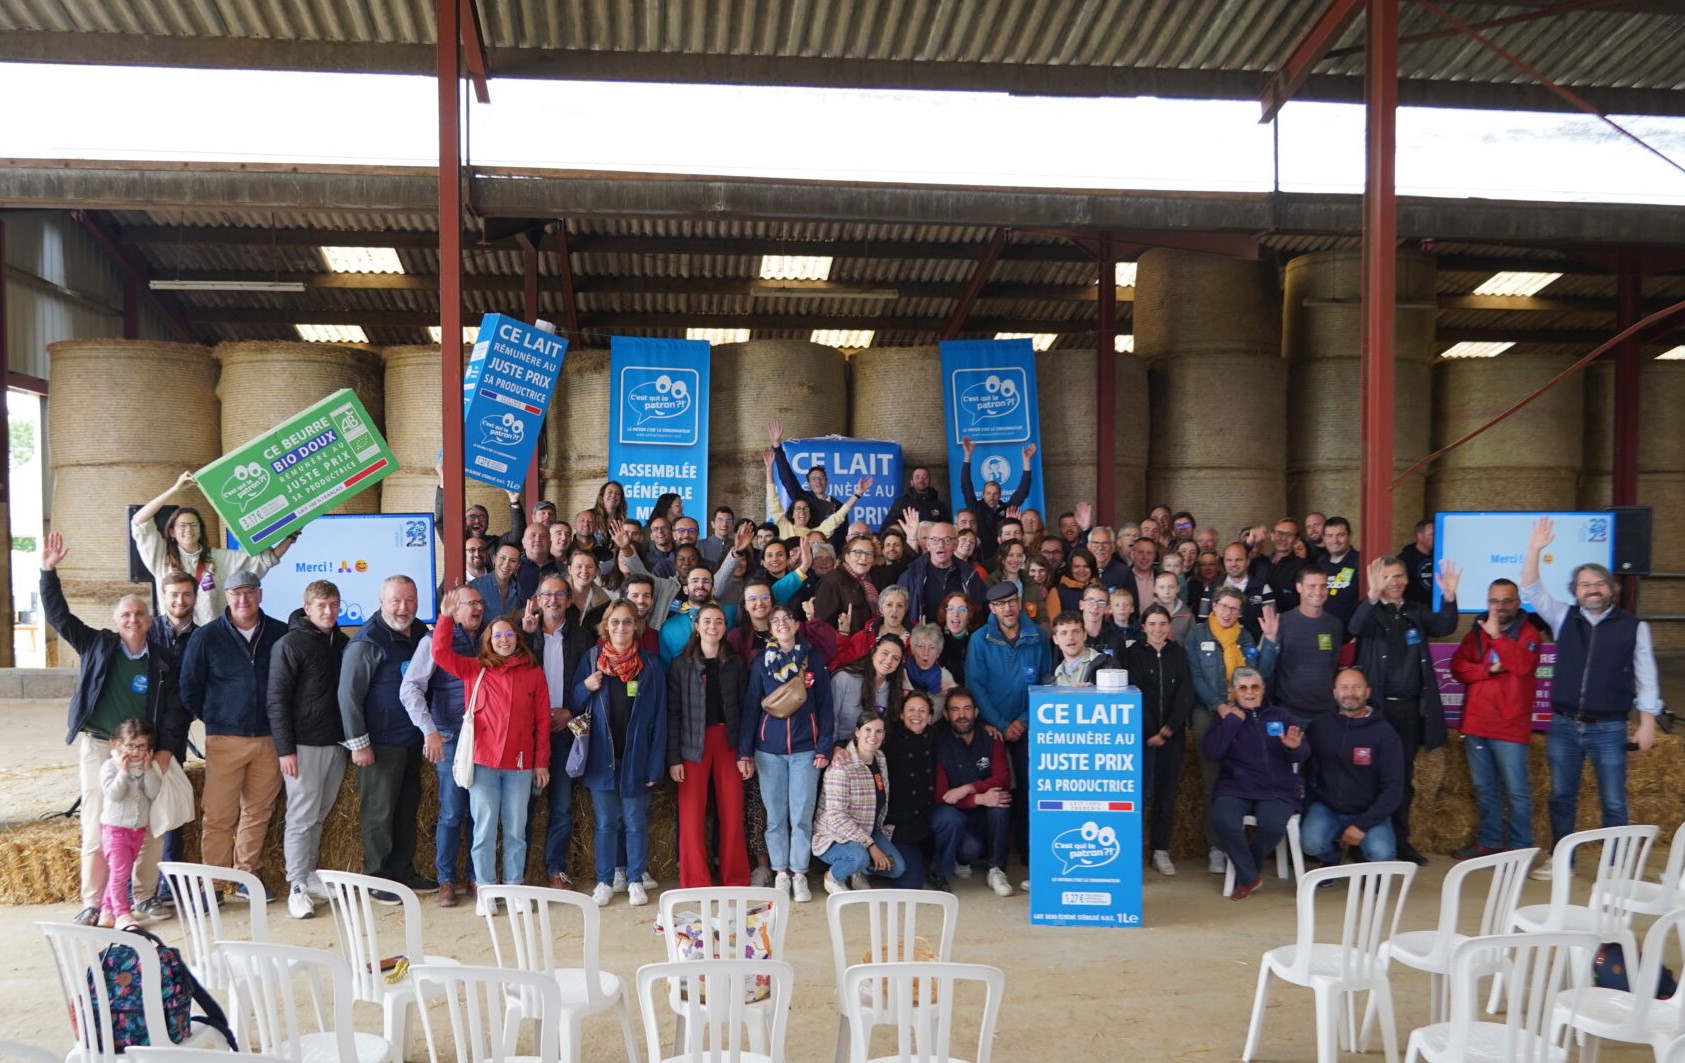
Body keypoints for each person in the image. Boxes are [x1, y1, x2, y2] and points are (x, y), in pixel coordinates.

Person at [42, 533, 188, 926]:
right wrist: (48, 572)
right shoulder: (96, 646)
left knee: (151, 825)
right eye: (125, 615)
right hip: (100, 746)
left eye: (139, 614)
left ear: (150, 621)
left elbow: (175, 710)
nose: (133, 620)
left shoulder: (162, 660)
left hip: (145, 751)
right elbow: (59, 617)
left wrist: (163, 750)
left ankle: (143, 896)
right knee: (96, 822)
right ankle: (94, 901)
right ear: (114, 621)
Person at [1521, 517, 1660, 875]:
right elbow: (1531, 588)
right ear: (1576, 591)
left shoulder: (1634, 627)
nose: (1592, 590)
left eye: (1599, 584)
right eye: (1585, 585)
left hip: (1609, 728)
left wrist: (1647, 722)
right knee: (1561, 797)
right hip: (1564, 726)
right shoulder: (1562, 617)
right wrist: (1535, 549)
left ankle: (1616, 865)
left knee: (1613, 801)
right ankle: (1561, 860)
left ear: (1611, 589)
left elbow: (1646, 676)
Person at [432, 607, 550, 917]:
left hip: (519, 765)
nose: (504, 640)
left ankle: (514, 887)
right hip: (483, 763)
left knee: (516, 830)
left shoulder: (533, 673)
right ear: (488, 640)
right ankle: (486, 890)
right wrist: (445, 619)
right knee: (483, 830)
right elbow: (440, 654)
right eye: (498, 635)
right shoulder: (475, 669)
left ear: (518, 639)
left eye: (510, 634)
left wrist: (541, 762)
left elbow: (542, 721)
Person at [181, 569, 288, 900]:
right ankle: (213, 884)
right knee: (219, 814)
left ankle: (246, 876)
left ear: (260, 595)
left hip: (269, 738)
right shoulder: (207, 637)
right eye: (236, 594)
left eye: (249, 593)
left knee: (258, 812)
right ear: (226, 597)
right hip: (225, 739)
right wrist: (217, 717)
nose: (243, 600)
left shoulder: (281, 634)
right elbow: (189, 687)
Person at [1349, 555, 1460, 866]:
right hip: (1377, 710)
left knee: (1401, 778)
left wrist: (1449, 596)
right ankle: (1361, 841)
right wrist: (1372, 596)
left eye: (1399, 576)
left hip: (1410, 710)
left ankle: (1400, 841)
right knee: (1368, 776)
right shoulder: (1370, 611)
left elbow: (1445, 625)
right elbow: (1354, 627)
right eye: (1387, 577)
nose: (1394, 582)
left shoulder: (1416, 611)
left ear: (1407, 579)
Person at [339, 575, 435, 902]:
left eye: (410, 600)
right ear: (381, 602)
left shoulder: (421, 633)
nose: (403, 608)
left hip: (411, 740)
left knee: (406, 809)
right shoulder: (367, 642)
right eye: (396, 601)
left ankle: (402, 872)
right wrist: (359, 743)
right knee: (379, 813)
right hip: (380, 743)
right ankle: (377, 878)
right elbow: (348, 696)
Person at [574, 600, 669, 906]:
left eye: (627, 622)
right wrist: (586, 686)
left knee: (635, 821)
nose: (621, 627)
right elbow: (573, 703)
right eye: (614, 622)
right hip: (600, 757)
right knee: (606, 823)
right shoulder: (592, 660)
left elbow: (661, 718)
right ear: (606, 626)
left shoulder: (650, 665)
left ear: (636, 626)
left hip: (637, 759)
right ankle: (604, 881)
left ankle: (635, 880)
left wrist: (655, 765)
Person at [739, 603, 835, 903]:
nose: (782, 624)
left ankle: (799, 873)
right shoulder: (761, 662)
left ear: (796, 625)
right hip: (769, 751)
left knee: (802, 815)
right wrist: (745, 752)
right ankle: (780, 871)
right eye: (776, 621)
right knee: (776, 816)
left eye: (787, 619)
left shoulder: (813, 659)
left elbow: (826, 705)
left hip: (806, 750)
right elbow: (751, 708)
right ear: (770, 628)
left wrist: (824, 746)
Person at [266, 578, 350, 920]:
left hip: (336, 743)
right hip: (302, 745)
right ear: (307, 608)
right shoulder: (289, 644)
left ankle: (310, 874)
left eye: (334, 605)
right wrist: (285, 749)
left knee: (319, 814)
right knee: (301, 817)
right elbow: (276, 700)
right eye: (321, 606)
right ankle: (296, 885)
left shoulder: (341, 643)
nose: (329, 611)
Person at [400, 585, 485, 906]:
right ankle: (446, 880)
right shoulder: (433, 640)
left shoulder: (490, 639)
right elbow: (410, 688)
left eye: (480, 602)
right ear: (454, 609)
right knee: (451, 812)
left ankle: (477, 877)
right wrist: (429, 730)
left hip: (485, 740)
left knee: (480, 812)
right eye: (470, 603)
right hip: (449, 738)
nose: (477, 608)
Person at [1187, 584, 1280, 876]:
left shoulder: (1245, 636)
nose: (1228, 613)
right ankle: (1216, 847)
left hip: (1242, 713)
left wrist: (1271, 641)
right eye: (1224, 606)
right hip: (1209, 711)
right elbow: (1196, 676)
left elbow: (1259, 675)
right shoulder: (1197, 635)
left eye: (1234, 608)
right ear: (1213, 606)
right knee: (1212, 781)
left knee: (1240, 779)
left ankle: (1236, 847)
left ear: (1240, 612)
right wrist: (1219, 705)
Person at [1448, 579, 1542, 859]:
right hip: (1477, 723)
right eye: (1494, 601)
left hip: (1510, 726)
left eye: (1506, 601)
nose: (1499, 607)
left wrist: (1498, 637)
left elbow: (1521, 666)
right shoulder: (1476, 633)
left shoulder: (1529, 634)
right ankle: (1489, 841)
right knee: (1484, 788)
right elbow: (1457, 668)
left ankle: (1520, 847)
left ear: (1518, 603)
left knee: (1516, 791)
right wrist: (1488, 669)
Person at [966, 582, 1051, 878]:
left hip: (1029, 726)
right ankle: (995, 863)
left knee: (1031, 792)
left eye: (1012, 601)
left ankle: (1031, 857)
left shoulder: (1038, 637)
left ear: (1020, 602)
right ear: (992, 608)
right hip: (993, 729)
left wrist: (1024, 720)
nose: (1008, 608)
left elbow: (1046, 682)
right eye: (1001, 604)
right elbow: (975, 686)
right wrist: (1002, 724)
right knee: (997, 794)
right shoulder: (980, 640)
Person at [1201, 667, 1308, 900]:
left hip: (1276, 788)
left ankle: (1246, 871)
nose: (1249, 693)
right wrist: (1232, 723)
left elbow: (1303, 753)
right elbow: (1212, 752)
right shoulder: (1226, 718)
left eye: (1254, 687)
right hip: (1236, 787)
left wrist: (1294, 748)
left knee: (1273, 825)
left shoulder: (1281, 716)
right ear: (1234, 691)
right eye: (1243, 688)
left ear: (1263, 689)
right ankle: (1250, 876)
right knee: (1223, 820)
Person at [131, 472, 292, 624]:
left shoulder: (218, 558)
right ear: (172, 532)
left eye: (194, 525)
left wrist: (290, 538)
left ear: (201, 530)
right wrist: (175, 489)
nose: (189, 529)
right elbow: (139, 522)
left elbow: (266, 559)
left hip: (211, 637)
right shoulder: (161, 557)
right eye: (182, 525)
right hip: (174, 636)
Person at [667, 604, 751, 889]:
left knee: (732, 813)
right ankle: (695, 882)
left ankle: (735, 879)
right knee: (691, 816)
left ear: (725, 628)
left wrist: (745, 752)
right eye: (706, 621)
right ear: (697, 626)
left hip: (728, 742)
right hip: (692, 745)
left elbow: (746, 709)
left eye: (718, 621)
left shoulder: (736, 663)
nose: (712, 626)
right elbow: (673, 713)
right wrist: (674, 758)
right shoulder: (681, 665)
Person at [521, 577, 593, 892]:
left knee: (562, 807)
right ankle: (518, 873)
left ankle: (556, 870)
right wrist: (525, 633)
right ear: (537, 599)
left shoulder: (583, 637)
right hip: (528, 735)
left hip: (564, 732)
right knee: (522, 807)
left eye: (559, 594)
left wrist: (571, 713)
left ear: (568, 600)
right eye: (547, 594)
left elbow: (591, 683)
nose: (553, 600)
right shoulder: (523, 635)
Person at [1300, 668, 1405, 866]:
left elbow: (1393, 788)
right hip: (1328, 807)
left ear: (1367, 692)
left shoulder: (1384, 733)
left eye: (1357, 687)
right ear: (1335, 693)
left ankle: (1365, 863)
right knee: (1311, 844)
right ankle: (1333, 858)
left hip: (1369, 810)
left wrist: (1362, 825)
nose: (1350, 693)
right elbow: (1304, 763)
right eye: (1344, 687)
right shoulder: (1320, 726)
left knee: (1381, 853)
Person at [1125, 605, 1195, 877]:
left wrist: (1168, 730)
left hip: (1171, 738)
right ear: (1143, 626)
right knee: (1139, 796)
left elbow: (1185, 694)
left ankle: (1160, 850)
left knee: (1165, 795)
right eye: (1152, 624)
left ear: (1169, 627)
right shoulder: (1133, 654)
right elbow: (1134, 693)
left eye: (1162, 624)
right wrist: (1149, 731)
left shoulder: (1178, 653)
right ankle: (1134, 851)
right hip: (1141, 738)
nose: (1157, 629)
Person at [929, 688, 1014, 895]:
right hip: (957, 813)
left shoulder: (991, 737)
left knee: (1001, 803)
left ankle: (996, 869)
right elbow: (941, 795)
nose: (962, 715)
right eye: (955, 710)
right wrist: (977, 798)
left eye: (967, 709)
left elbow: (1003, 779)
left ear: (976, 712)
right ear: (946, 714)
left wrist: (969, 789)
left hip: (984, 812)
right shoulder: (939, 743)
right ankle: (955, 861)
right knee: (970, 848)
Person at [813, 713, 903, 894]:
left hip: (867, 829)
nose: (873, 736)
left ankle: (857, 869)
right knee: (859, 857)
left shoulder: (880, 758)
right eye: (867, 730)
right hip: (835, 833)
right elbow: (837, 817)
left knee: (896, 868)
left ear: (884, 734)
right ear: (857, 732)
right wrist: (871, 846)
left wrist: (871, 841)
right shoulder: (841, 765)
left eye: (879, 731)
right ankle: (833, 877)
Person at [98, 717, 163, 930]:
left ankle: (107, 909)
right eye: (130, 746)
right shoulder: (110, 767)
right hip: (116, 830)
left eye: (141, 746)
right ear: (118, 744)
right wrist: (124, 772)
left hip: (138, 830)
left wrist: (148, 770)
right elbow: (114, 794)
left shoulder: (147, 767)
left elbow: (153, 793)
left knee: (121, 871)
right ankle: (122, 913)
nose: (135, 751)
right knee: (120, 873)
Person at [1270, 567, 1346, 727]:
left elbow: (1332, 664)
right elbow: (1269, 666)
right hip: (1290, 712)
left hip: (1327, 711)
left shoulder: (1335, 624)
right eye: (1312, 586)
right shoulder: (1282, 622)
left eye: (1323, 586)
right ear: (1299, 587)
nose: (1318, 591)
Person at [881, 692, 939, 890]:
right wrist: (838, 748)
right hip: (900, 823)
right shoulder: (888, 738)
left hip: (926, 817)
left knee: (967, 844)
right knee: (910, 883)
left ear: (930, 717)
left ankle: (935, 867)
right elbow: (862, 741)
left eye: (922, 711)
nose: (917, 715)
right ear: (901, 714)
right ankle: (868, 867)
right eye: (911, 710)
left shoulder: (936, 736)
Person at [959, 437, 1035, 562]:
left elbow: (1023, 491)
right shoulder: (974, 507)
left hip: (1004, 559)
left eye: (995, 494)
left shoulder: (1007, 509)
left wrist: (1026, 462)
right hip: (980, 559)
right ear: (983, 494)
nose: (992, 497)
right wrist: (967, 455)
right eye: (988, 493)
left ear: (1000, 495)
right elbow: (965, 484)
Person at [897, 521, 986, 625]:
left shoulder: (969, 575)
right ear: (928, 545)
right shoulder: (911, 575)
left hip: (960, 634)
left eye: (947, 540)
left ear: (955, 544)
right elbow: (899, 612)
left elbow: (980, 612)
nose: (941, 545)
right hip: (922, 633)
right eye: (935, 540)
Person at [831, 633, 907, 740]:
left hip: (872, 746)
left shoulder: (893, 689)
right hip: (840, 745)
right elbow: (829, 718)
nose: (889, 660)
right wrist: (834, 746)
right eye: (885, 653)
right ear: (873, 652)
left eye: (896, 658)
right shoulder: (843, 679)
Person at [1047, 614, 1121, 686]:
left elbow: (1116, 693)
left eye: (1075, 631)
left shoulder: (1107, 665)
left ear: (1085, 635)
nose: (1070, 637)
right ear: (1055, 639)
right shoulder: (1052, 678)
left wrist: (1095, 690)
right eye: (1064, 633)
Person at [1315, 517, 1363, 629]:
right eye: (1329, 536)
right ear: (1324, 538)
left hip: (1351, 632)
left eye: (1340, 535)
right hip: (1323, 629)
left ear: (1350, 536)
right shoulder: (1320, 563)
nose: (1335, 541)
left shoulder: (1360, 561)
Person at [1045, 547, 1098, 620]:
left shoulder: (1100, 589)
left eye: (1086, 566)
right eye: (1077, 567)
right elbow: (1053, 622)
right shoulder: (1057, 592)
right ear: (1070, 568)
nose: (1081, 570)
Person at [1397, 520, 1437, 606]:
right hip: (1414, 609)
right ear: (1420, 536)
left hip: (1436, 608)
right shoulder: (1405, 559)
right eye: (1432, 534)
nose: (1436, 538)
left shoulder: (1439, 555)